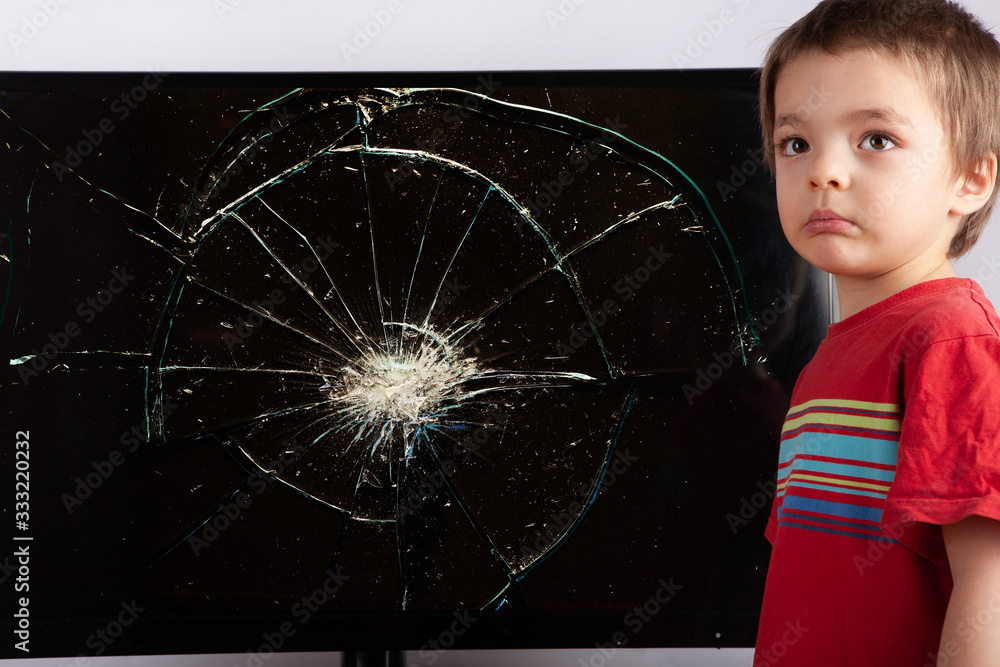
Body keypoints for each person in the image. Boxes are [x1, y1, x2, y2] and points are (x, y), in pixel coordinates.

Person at [754, 0, 1000, 664]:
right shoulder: (828, 359)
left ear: (972, 176)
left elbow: (991, 578)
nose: (822, 171)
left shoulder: (951, 341)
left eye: (876, 140)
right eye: (795, 142)